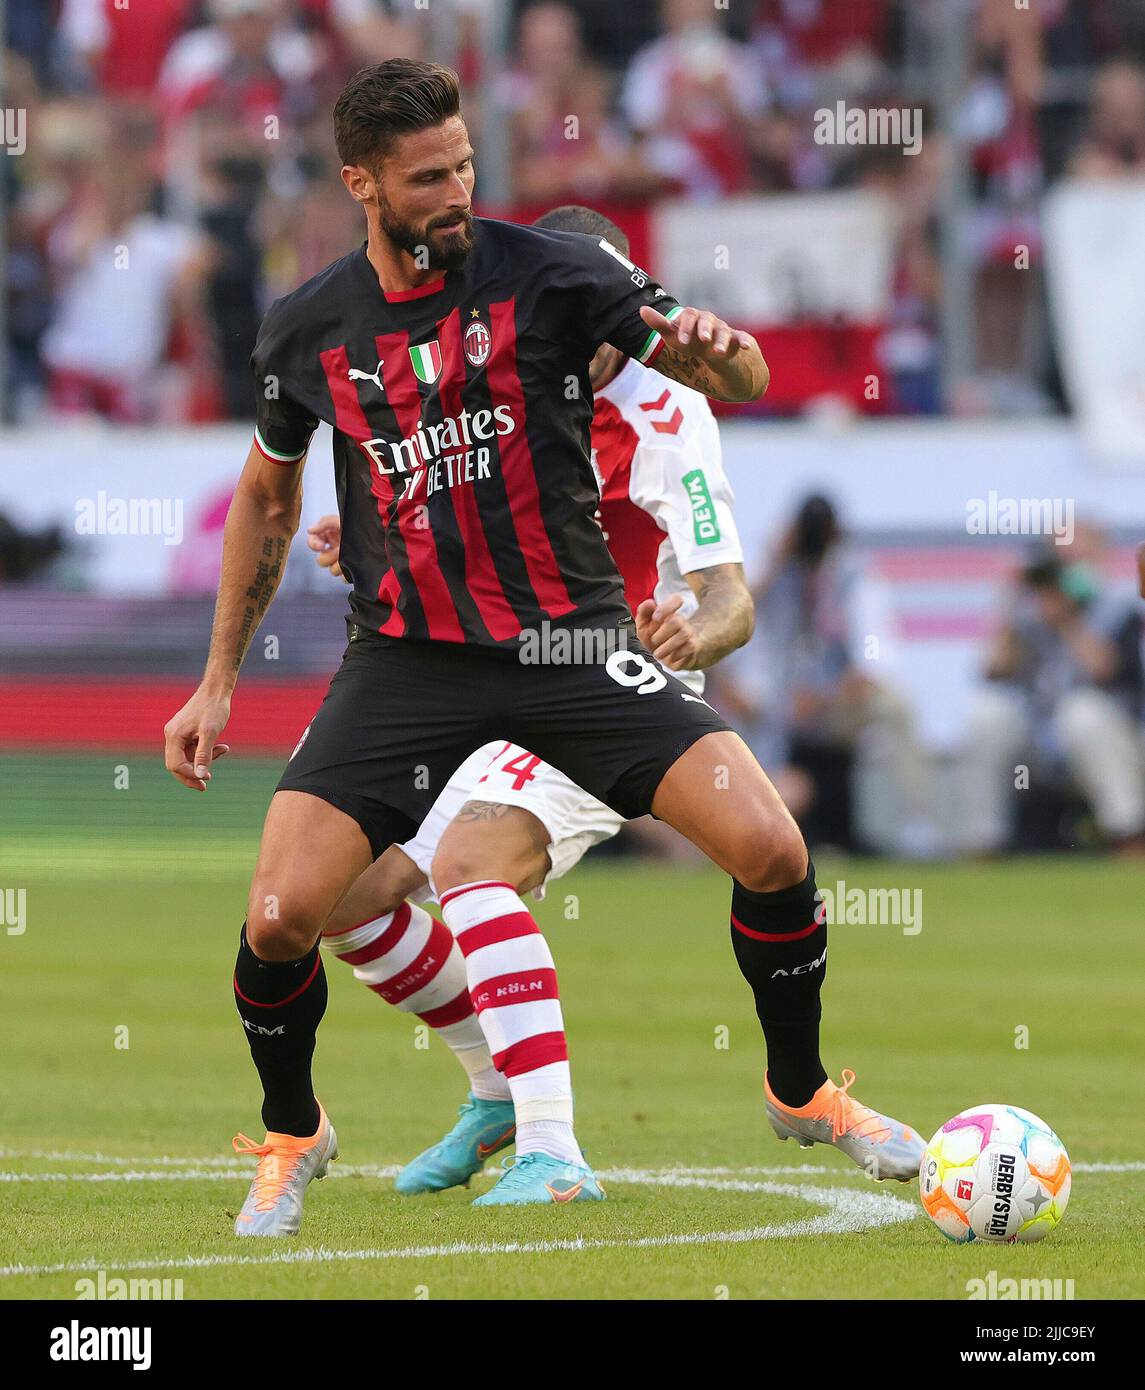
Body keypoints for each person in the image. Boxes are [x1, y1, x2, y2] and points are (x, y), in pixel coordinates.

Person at [162, 59, 923, 1236]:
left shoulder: (551, 275)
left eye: (465, 164)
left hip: (568, 644)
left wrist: (722, 350)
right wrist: (217, 681)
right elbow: (267, 501)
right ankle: (297, 1128)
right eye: (427, 177)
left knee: (771, 845)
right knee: (282, 914)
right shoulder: (309, 327)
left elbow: (733, 370)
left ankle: (795, 1087)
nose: (456, 191)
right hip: (408, 661)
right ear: (362, 183)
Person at [306, 202, 753, 1197]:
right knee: (333, 897)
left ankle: (554, 1151)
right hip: (485, 676)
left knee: (469, 861)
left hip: (612, 685)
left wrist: (692, 627)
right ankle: (495, 1087)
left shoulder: (665, 410)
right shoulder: (490, 383)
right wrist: (366, 543)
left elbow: (731, 600)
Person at [963, 552, 1145, 853]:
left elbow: (1103, 669)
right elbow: (992, 669)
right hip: (1037, 750)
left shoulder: (1115, 612)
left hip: (1107, 748)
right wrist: (1008, 604)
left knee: (1081, 711)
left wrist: (1067, 620)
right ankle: (984, 841)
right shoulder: (1026, 622)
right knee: (986, 715)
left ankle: (1127, 833)